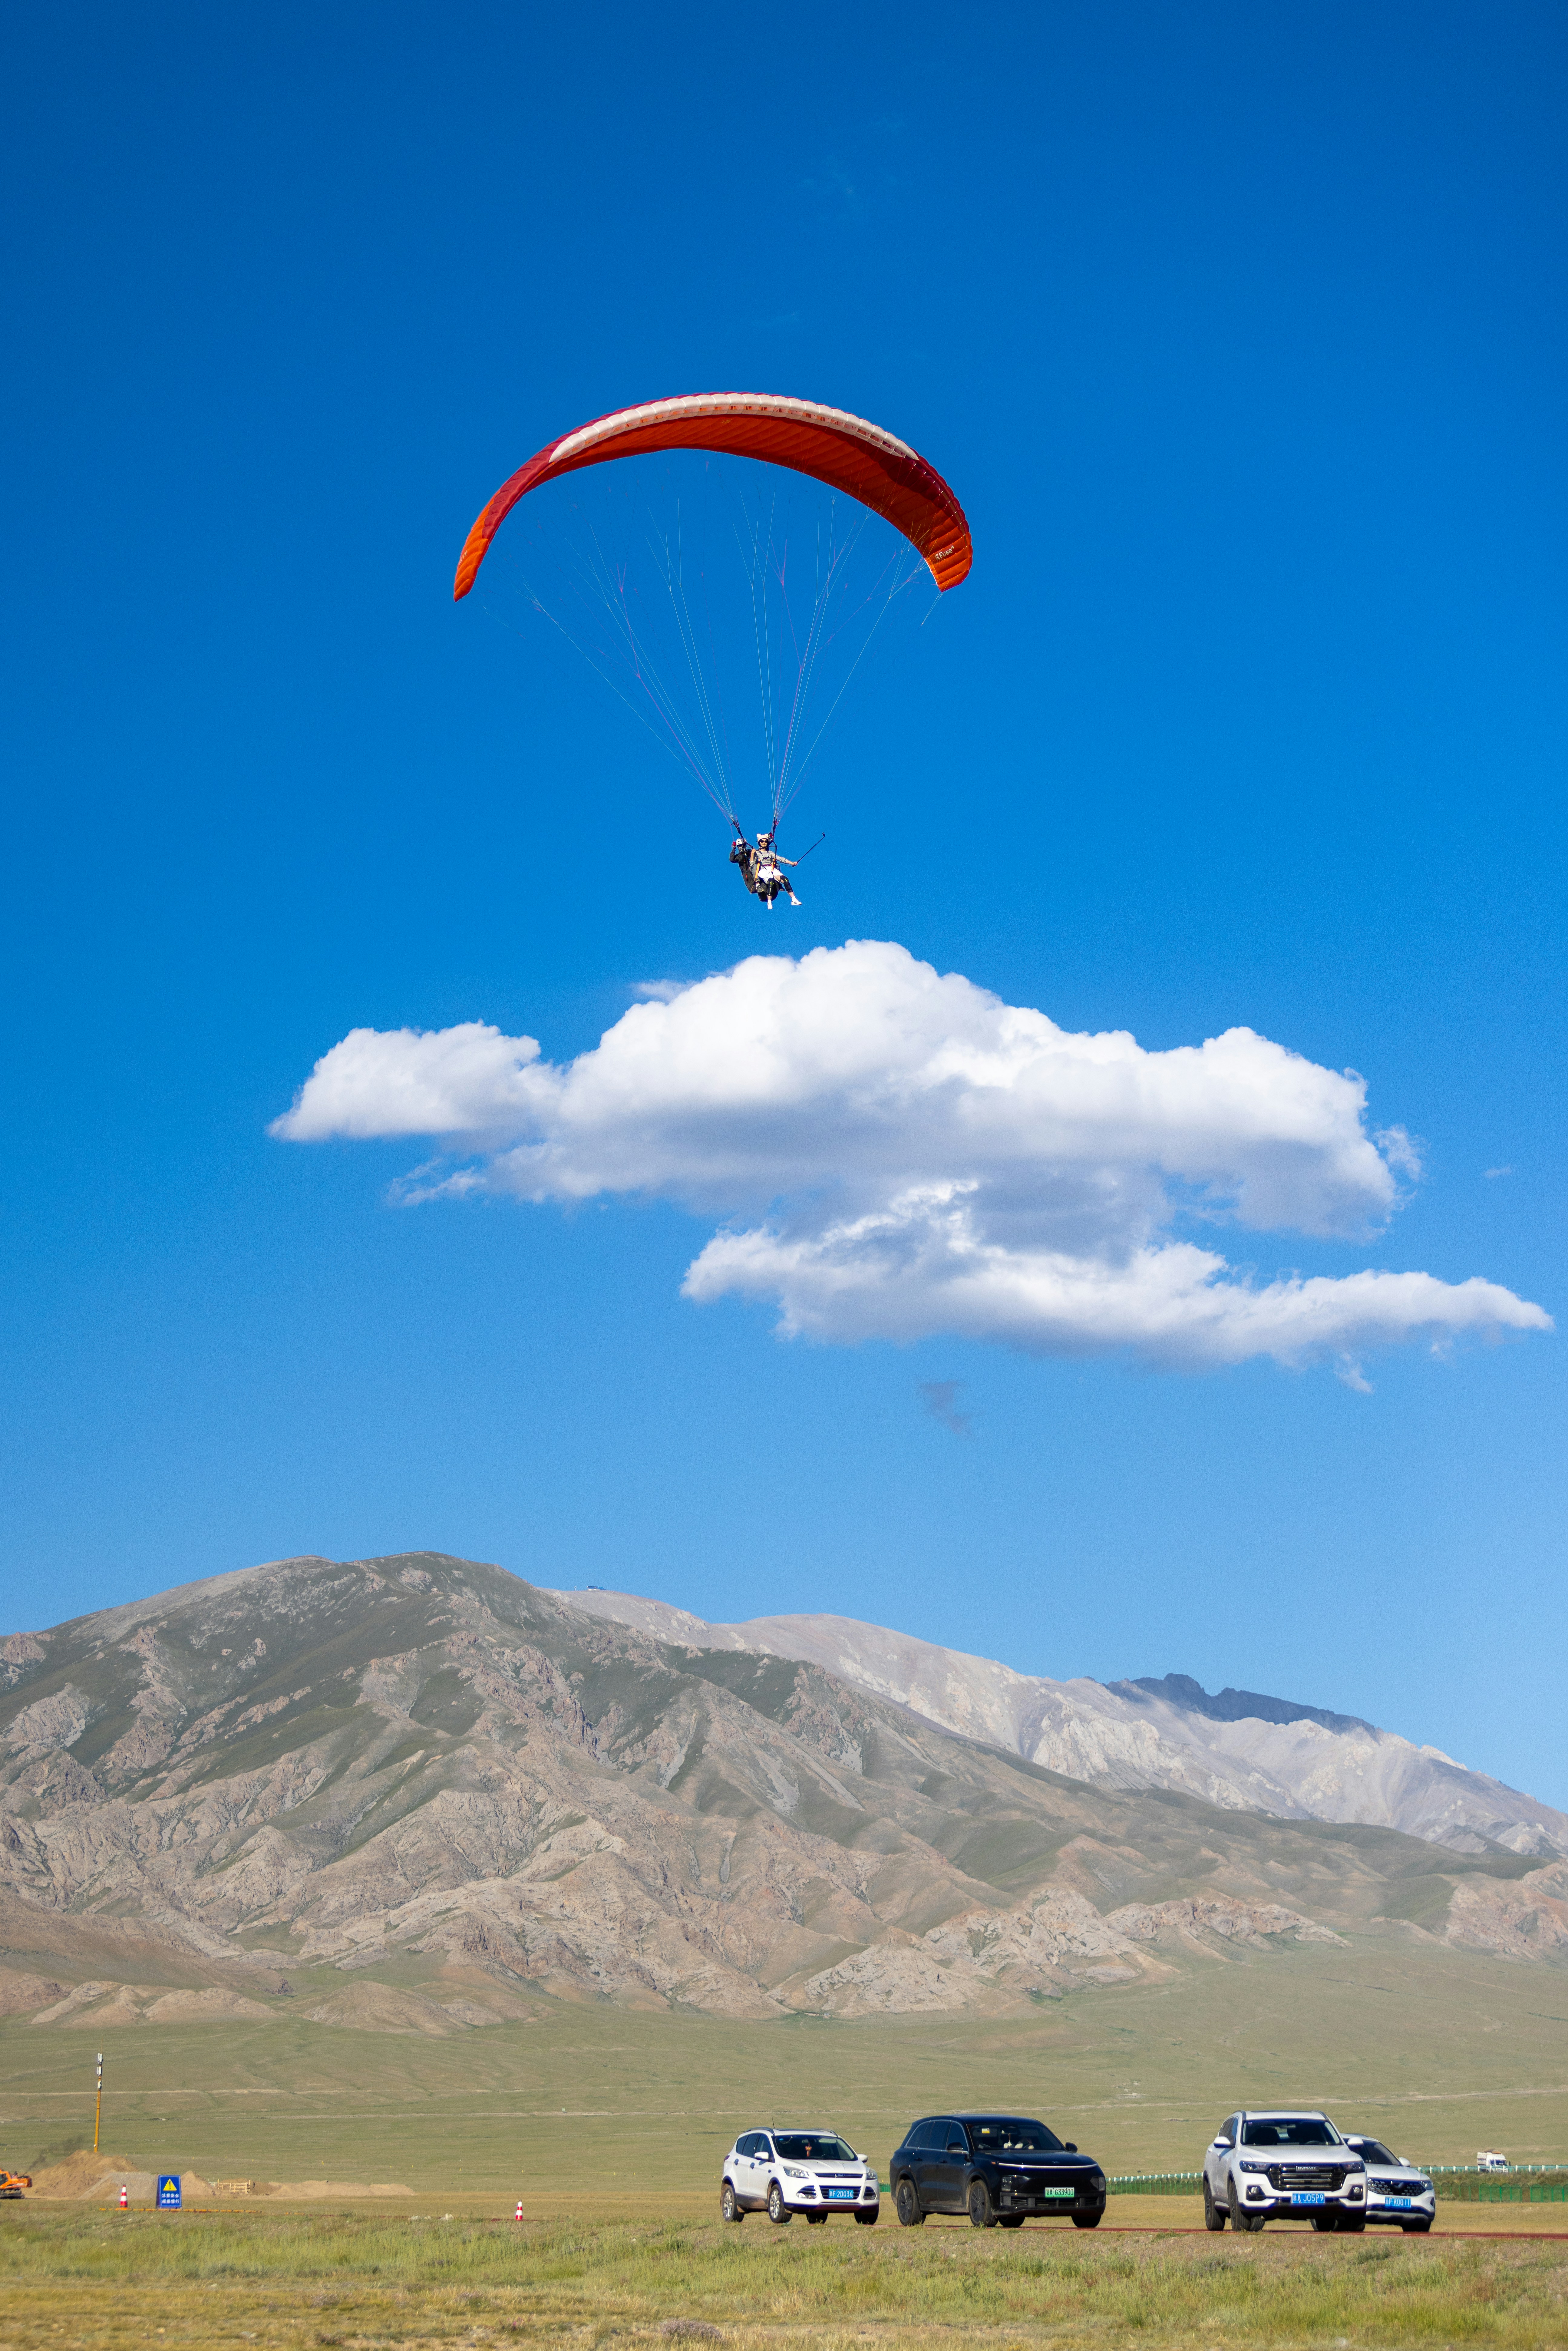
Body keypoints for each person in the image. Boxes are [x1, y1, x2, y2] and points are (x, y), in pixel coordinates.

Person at [730, 827, 801, 908]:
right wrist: (752, 854)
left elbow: (780, 859)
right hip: (763, 870)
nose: (764, 843)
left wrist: (792, 863)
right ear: (759, 843)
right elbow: (752, 864)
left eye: (766, 841)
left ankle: (794, 900)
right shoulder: (755, 853)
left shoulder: (770, 853)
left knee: (786, 880)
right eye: (762, 841)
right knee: (771, 881)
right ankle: (769, 903)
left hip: (772, 869)